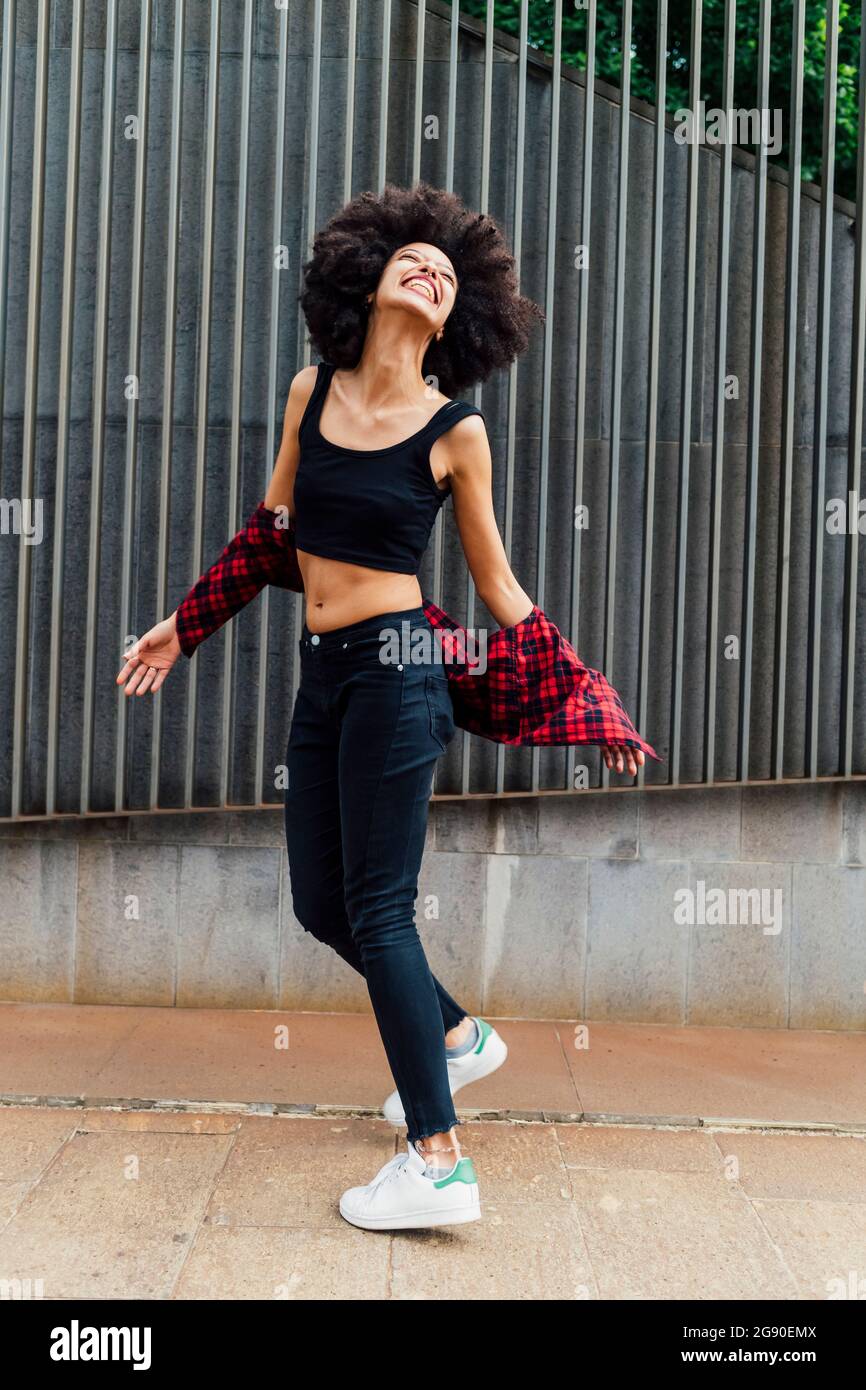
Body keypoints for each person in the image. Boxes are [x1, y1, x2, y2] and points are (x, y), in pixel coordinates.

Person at [115, 182, 646, 1231]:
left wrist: (585, 693)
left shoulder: (456, 430)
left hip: (402, 670)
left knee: (379, 908)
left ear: (454, 318)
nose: (428, 268)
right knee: (323, 902)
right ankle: (452, 1038)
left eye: (446, 273)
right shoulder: (308, 391)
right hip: (327, 673)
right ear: (372, 276)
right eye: (413, 257)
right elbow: (271, 533)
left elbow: (497, 586)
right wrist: (185, 623)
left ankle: (437, 1159)